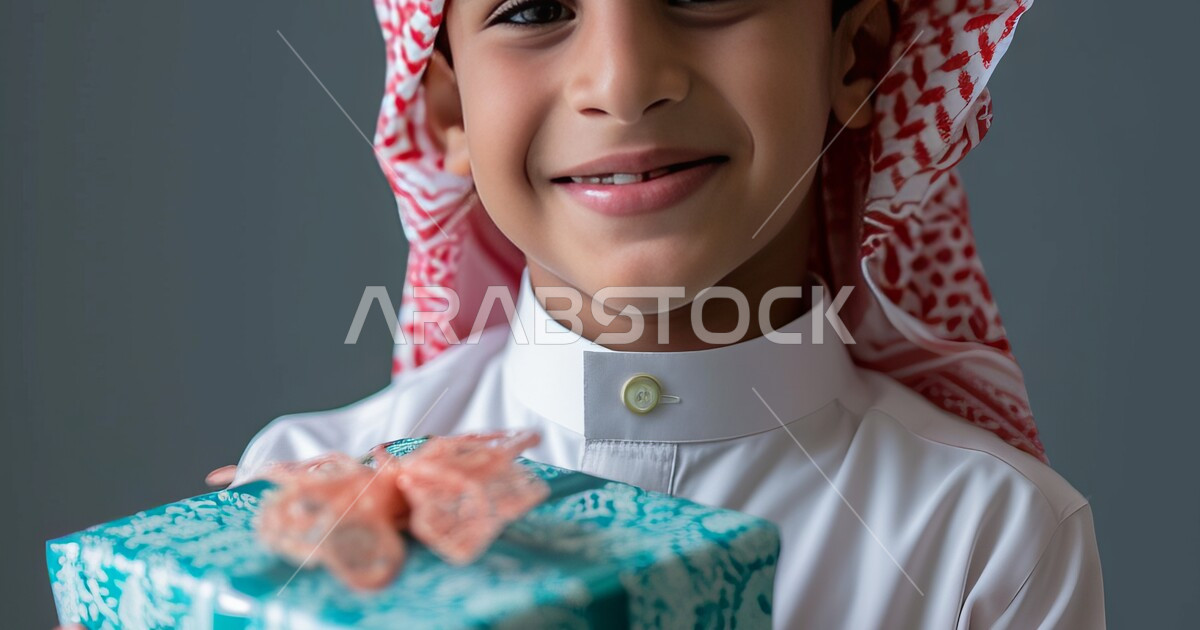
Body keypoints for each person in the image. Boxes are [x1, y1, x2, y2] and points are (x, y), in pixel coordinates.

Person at [219, 0, 1106, 627]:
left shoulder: (986, 543)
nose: (624, 80)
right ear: (449, 108)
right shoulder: (301, 493)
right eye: (534, 9)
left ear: (857, 60)